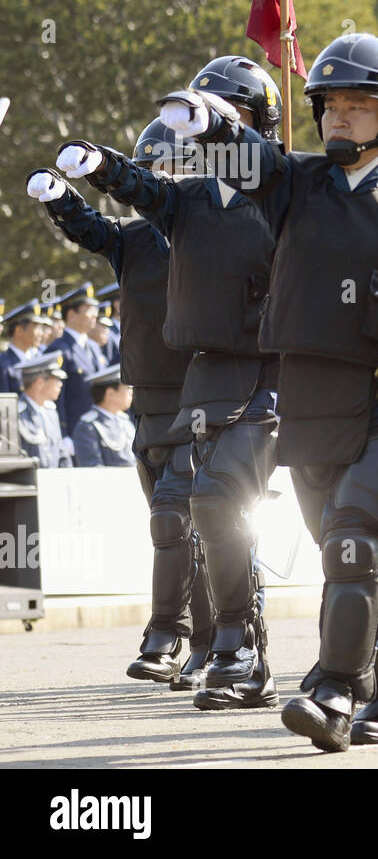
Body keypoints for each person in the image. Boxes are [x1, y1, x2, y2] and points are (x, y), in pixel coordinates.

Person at [157, 33, 378, 749]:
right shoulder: (297, 182)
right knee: (353, 560)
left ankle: (334, 690)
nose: (341, 117)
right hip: (308, 395)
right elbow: (247, 159)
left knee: (354, 546)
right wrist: (211, 121)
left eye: (359, 105)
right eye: (332, 105)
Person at [54, 54, 285, 711]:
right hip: (196, 381)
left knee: (334, 533)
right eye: (199, 123)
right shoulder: (184, 205)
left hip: (276, 374)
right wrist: (94, 166)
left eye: (226, 119)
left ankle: (371, 659)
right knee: (196, 515)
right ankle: (229, 649)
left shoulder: (291, 196)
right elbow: (135, 193)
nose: (208, 134)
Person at [29, 120, 212, 686]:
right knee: (179, 527)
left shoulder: (218, 232)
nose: (164, 177)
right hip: (149, 400)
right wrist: (60, 198)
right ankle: (208, 643)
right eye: (154, 168)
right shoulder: (132, 238)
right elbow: (89, 227)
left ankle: (171, 634)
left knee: (177, 521)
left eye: (176, 166)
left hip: (208, 395)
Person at [44, 284, 108, 438]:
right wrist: (62, 433)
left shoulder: (93, 346)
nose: (94, 315)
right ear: (72, 314)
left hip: (97, 429)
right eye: (88, 309)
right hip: (73, 429)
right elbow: (56, 397)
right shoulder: (59, 348)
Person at [70, 363, 135, 467]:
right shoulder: (88, 427)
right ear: (110, 394)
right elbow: (93, 468)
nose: (131, 392)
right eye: (127, 388)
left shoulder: (125, 421)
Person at [17, 352, 72, 467]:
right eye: (56, 379)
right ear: (40, 382)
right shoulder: (17, 415)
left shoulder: (51, 412)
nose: (60, 384)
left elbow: (62, 454)